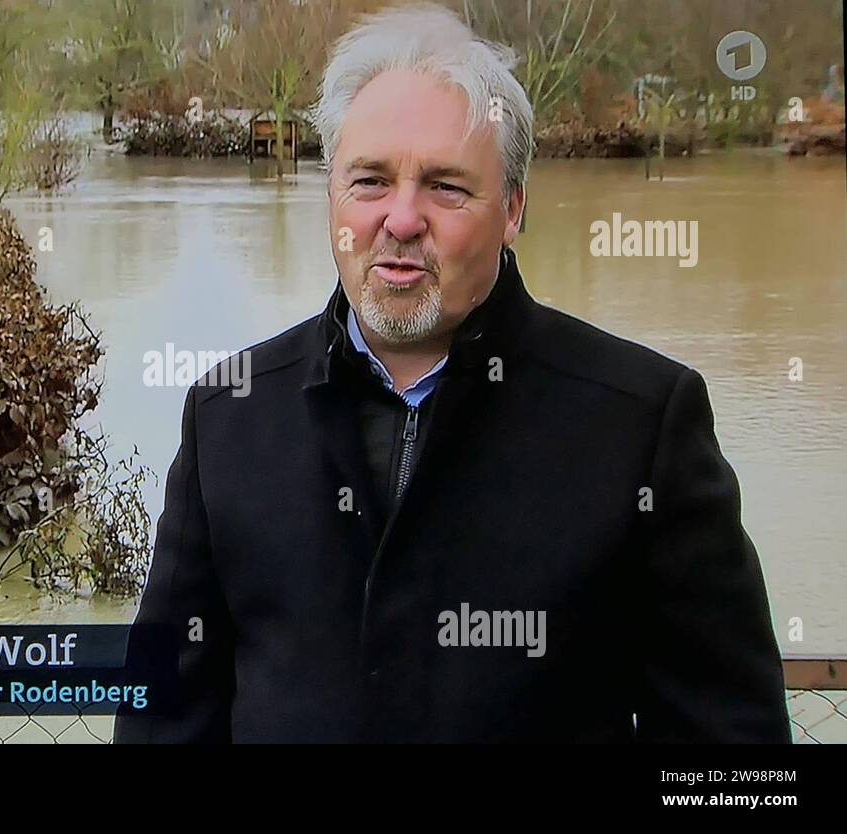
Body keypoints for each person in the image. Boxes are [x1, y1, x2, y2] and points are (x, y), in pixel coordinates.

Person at [114, 3, 789, 743]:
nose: (401, 219)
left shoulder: (640, 424)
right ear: (330, 195)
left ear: (513, 208)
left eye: (446, 187)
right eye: (370, 181)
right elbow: (164, 719)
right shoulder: (230, 415)